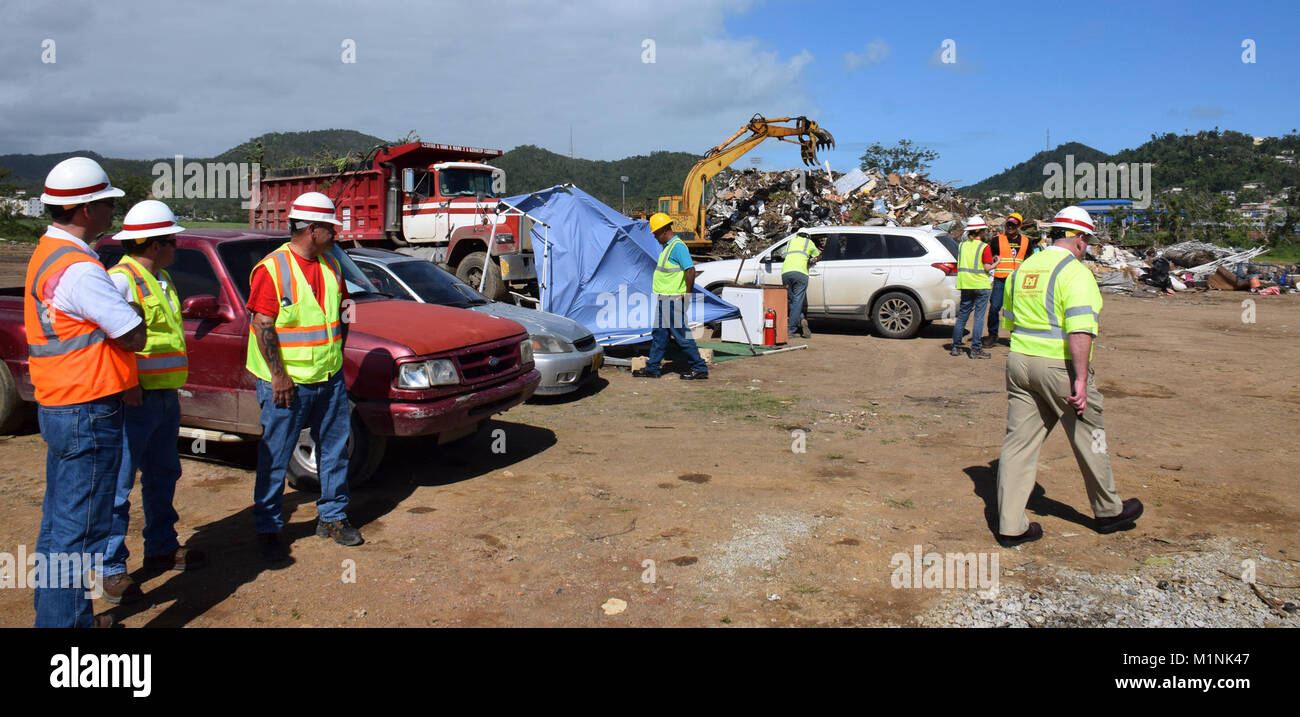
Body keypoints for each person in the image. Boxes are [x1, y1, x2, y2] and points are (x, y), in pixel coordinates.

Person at [26, 157, 146, 627]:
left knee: (59, 526)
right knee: (80, 533)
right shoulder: (80, 268)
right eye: (107, 202)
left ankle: (61, 616)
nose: (113, 210)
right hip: (88, 408)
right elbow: (132, 334)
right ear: (86, 209)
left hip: (60, 405)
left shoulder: (48, 253)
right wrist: (127, 308)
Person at [993, 206, 1143, 547]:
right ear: (1078, 239)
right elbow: (1079, 329)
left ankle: (1010, 525)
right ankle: (1108, 510)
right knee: (1091, 437)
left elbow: (1009, 321)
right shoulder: (1075, 273)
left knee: (1018, 444)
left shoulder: (1023, 268)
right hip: (1058, 366)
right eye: (1086, 241)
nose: (1086, 247)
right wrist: (1079, 379)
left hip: (1019, 362)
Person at [99, 200, 206, 605]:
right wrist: (127, 385)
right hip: (134, 398)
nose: (177, 245)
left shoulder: (161, 279)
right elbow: (110, 342)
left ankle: (161, 544)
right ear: (154, 243)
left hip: (163, 395)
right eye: (171, 240)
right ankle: (112, 569)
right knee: (117, 486)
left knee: (164, 474)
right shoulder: (120, 280)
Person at [245, 192, 361, 560]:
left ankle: (333, 517)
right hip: (287, 385)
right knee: (275, 458)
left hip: (328, 378)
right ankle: (267, 528)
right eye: (331, 228)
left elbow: (342, 313)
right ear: (311, 229)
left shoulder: (332, 265)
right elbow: (263, 323)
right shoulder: (273, 268)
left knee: (335, 451)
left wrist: (337, 358)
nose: (337, 234)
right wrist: (279, 378)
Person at [632, 212, 708, 380]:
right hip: (665, 298)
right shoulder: (668, 247)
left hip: (673, 299)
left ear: (664, 230)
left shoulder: (678, 247)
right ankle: (653, 368)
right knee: (660, 334)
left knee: (681, 335)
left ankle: (699, 368)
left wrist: (687, 295)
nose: (655, 238)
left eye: (656, 234)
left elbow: (690, 270)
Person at [950, 215, 996, 359]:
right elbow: (988, 268)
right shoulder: (984, 247)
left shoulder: (962, 246)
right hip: (981, 285)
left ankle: (956, 347)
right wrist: (997, 263)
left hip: (965, 285)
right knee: (978, 318)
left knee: (963, 316)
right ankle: (975, 349)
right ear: (981, 231)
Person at [986, 212, 1028, 346]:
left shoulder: (1026, 241)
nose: (1010, 227)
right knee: (994, 308)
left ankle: (1016, 336)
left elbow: (1030, 260)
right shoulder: (997, 240)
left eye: (1013, 225)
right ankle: (992, 335)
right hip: (1001, 280)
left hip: (1018, 281)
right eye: (1008, 224)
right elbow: (989, 257)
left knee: (1018, 309)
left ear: (1019, 226)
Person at [781, 232, 820, 338]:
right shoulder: (809, 242)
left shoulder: (790, 241)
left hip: (786, 273)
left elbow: (782, 254)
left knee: (792, 300)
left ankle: (802, 319)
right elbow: (817, 256)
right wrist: (811, 260)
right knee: (798, 301)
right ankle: (791, 330)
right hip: (801, 273)